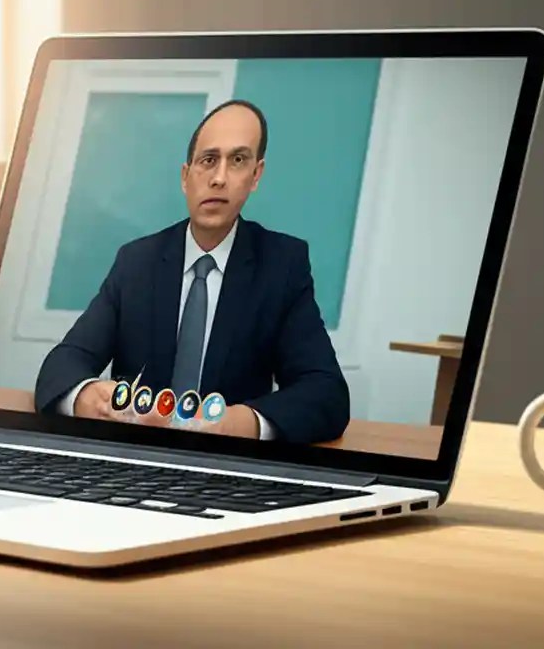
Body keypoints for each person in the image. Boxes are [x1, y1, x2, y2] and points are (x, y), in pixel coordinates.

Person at [33, 99, 349, 444]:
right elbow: (65, 361)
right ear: (186, 177)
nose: (219, 178)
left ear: (256, 175)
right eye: (208, 161)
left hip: (227, 461)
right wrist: (86, 396)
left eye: (238, 161)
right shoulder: (136, 261)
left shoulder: (282, 265)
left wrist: (240, 423)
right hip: (135, 451)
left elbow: (326, 393)